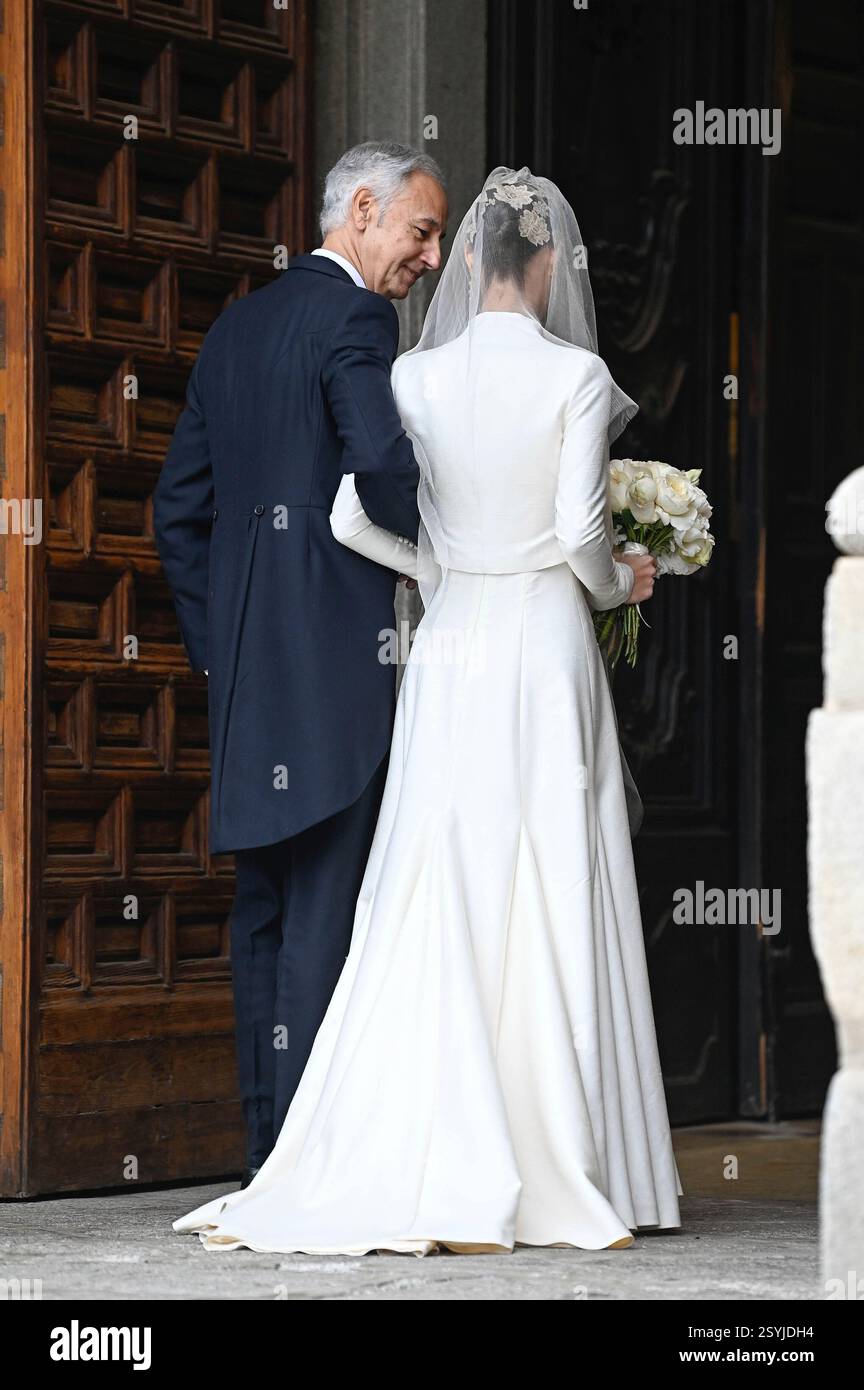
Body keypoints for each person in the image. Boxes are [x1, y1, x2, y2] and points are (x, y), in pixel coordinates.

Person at [172, 166, 683, 1254]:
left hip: (450, 647)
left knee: (426, 878)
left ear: (468, 261)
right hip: (542, 640)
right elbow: (583, 533)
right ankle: (571, 1154)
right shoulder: (577, 374)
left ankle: (333, 1143)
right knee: (550, 864)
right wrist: (622, 581)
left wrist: (443, 570)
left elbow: (354, 513)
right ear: (548, 265)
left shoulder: (413, 373)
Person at [153, 141, 447, 1188]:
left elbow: (175, 513)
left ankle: (265, 1151)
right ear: (361, 210)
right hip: (336, 677)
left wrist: (219, 647)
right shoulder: (355, 319)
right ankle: (306, 1167)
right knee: (324, 914)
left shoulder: (234, 328)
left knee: (265, 917)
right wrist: (454, 566)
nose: (430, 256)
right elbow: (378, 464)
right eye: (419, 230)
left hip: (249, 691)